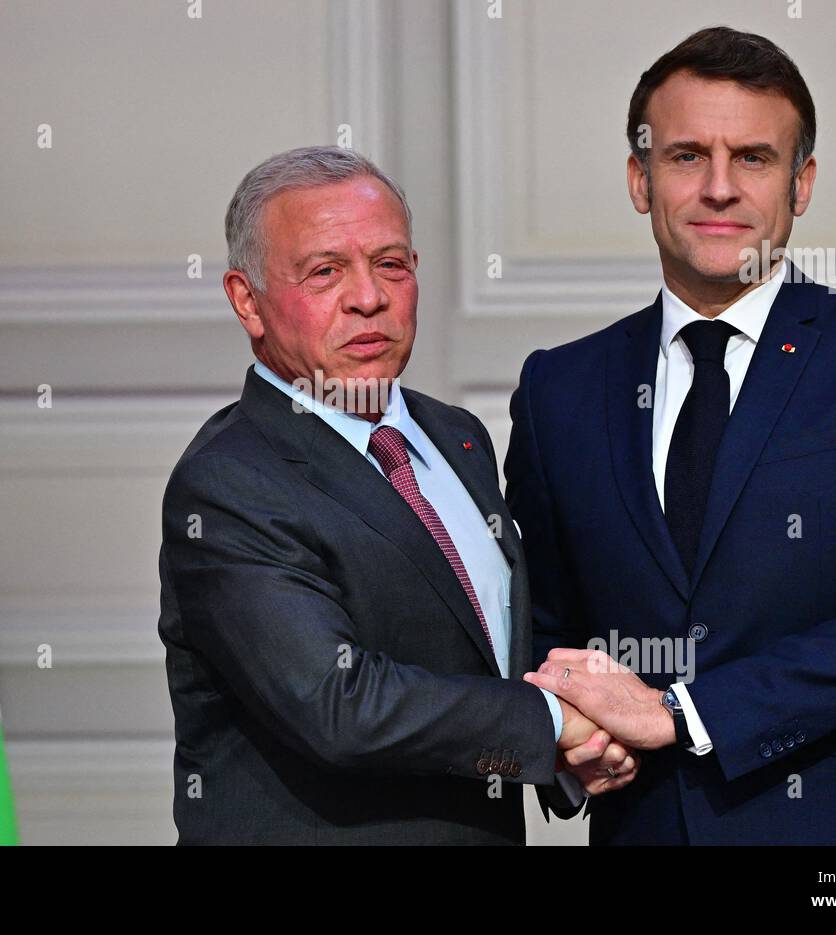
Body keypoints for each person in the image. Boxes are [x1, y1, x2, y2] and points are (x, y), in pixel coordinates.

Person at [510, 27, 836, 844]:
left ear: (801, 185)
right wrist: (565, 739)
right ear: (639, 177)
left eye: (754, 158)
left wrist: (681, 712)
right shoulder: (560, 388)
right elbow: (550, 628)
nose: (719, 187)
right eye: (687, 155)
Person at [158, 146, 634, 844]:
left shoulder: (456, 436)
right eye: (325, 271)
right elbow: (338, 704)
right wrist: (558, 721)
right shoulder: (229, 482)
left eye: (391, 263)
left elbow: (491, 652)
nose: (369, 296)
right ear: (245, 300)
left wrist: (570, 752)